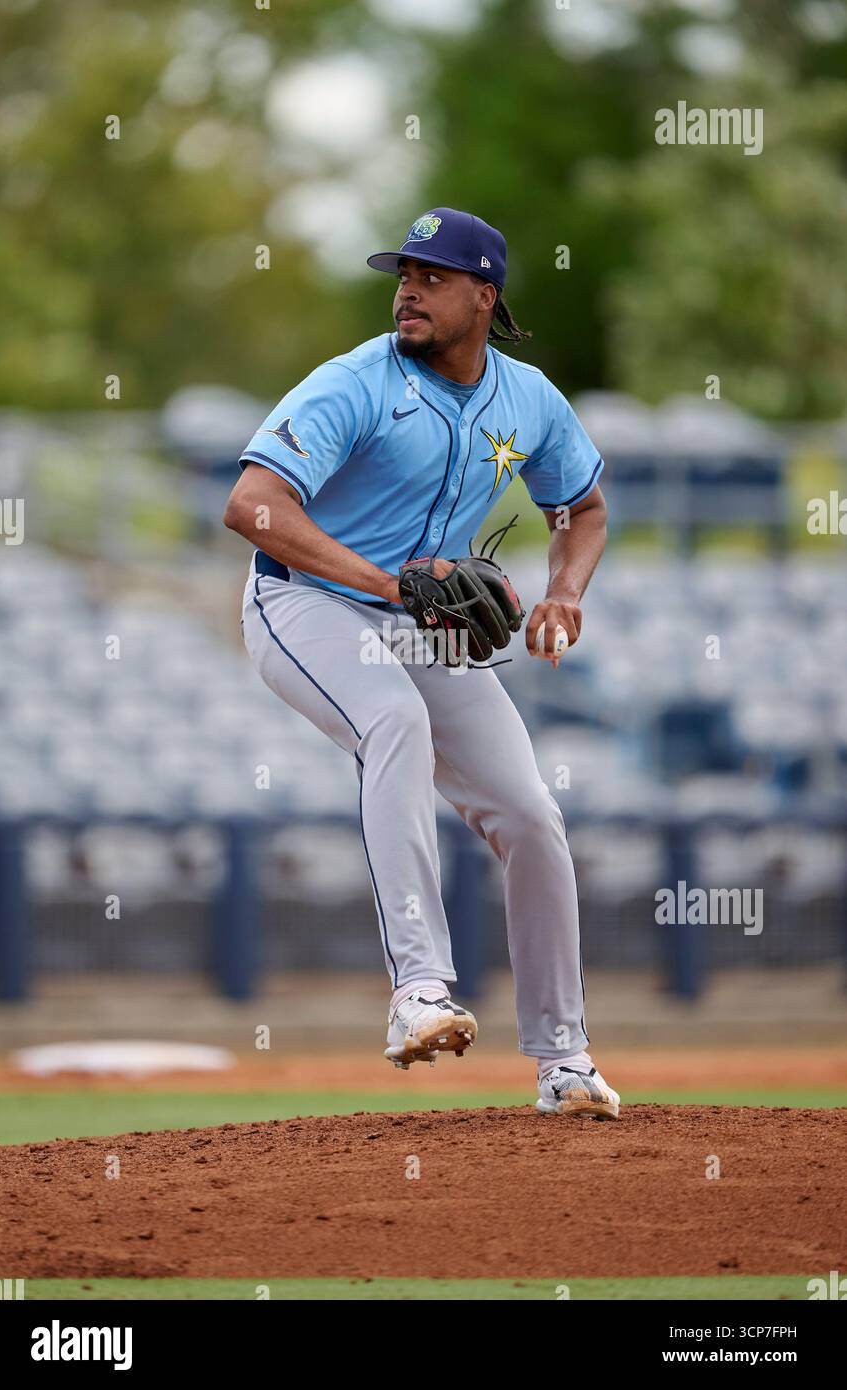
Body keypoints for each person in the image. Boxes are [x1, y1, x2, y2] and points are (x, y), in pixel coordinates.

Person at [224, 208, 619, 1119]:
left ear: (485, 295)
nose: (409, 288)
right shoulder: (355, 382)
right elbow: (252, 507)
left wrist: (566, 591)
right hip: (304, 601)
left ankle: (564, 1061)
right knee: (392, 721)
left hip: (418, 620)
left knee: (530, 813)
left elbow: (583, 509)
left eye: (434, 276)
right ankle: (420, 992)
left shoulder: (528, 401)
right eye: (403, 272)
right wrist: (392, 586)